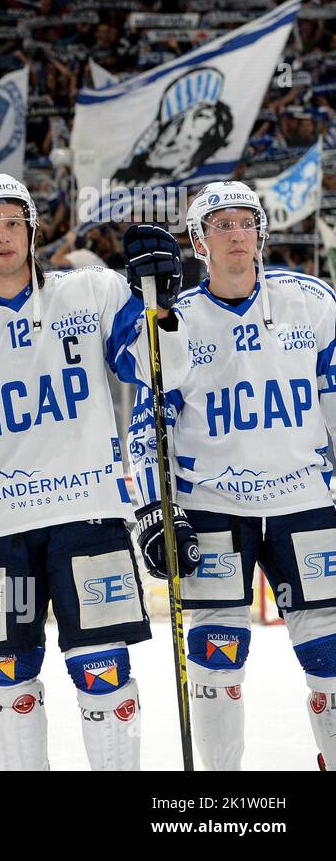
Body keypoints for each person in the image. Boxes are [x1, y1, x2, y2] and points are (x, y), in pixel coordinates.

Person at [0, 172, 187, 770]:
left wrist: (159, 303)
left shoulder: (93, 293)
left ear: (33, 230)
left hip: (89, 518)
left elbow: (160, 370)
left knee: (104, 670)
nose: (2, 235)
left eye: (13, 222)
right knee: (7, 675)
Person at [127, 181, 336, 771]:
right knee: (216, 657)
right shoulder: (172, 321)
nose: (237, 233)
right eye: (221, 224)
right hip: (211, 504)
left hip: (305, 501)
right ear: (198, 241)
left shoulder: (312, 302)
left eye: (247, 221)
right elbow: (147, 429)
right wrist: (153, 510)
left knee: (330, 653)